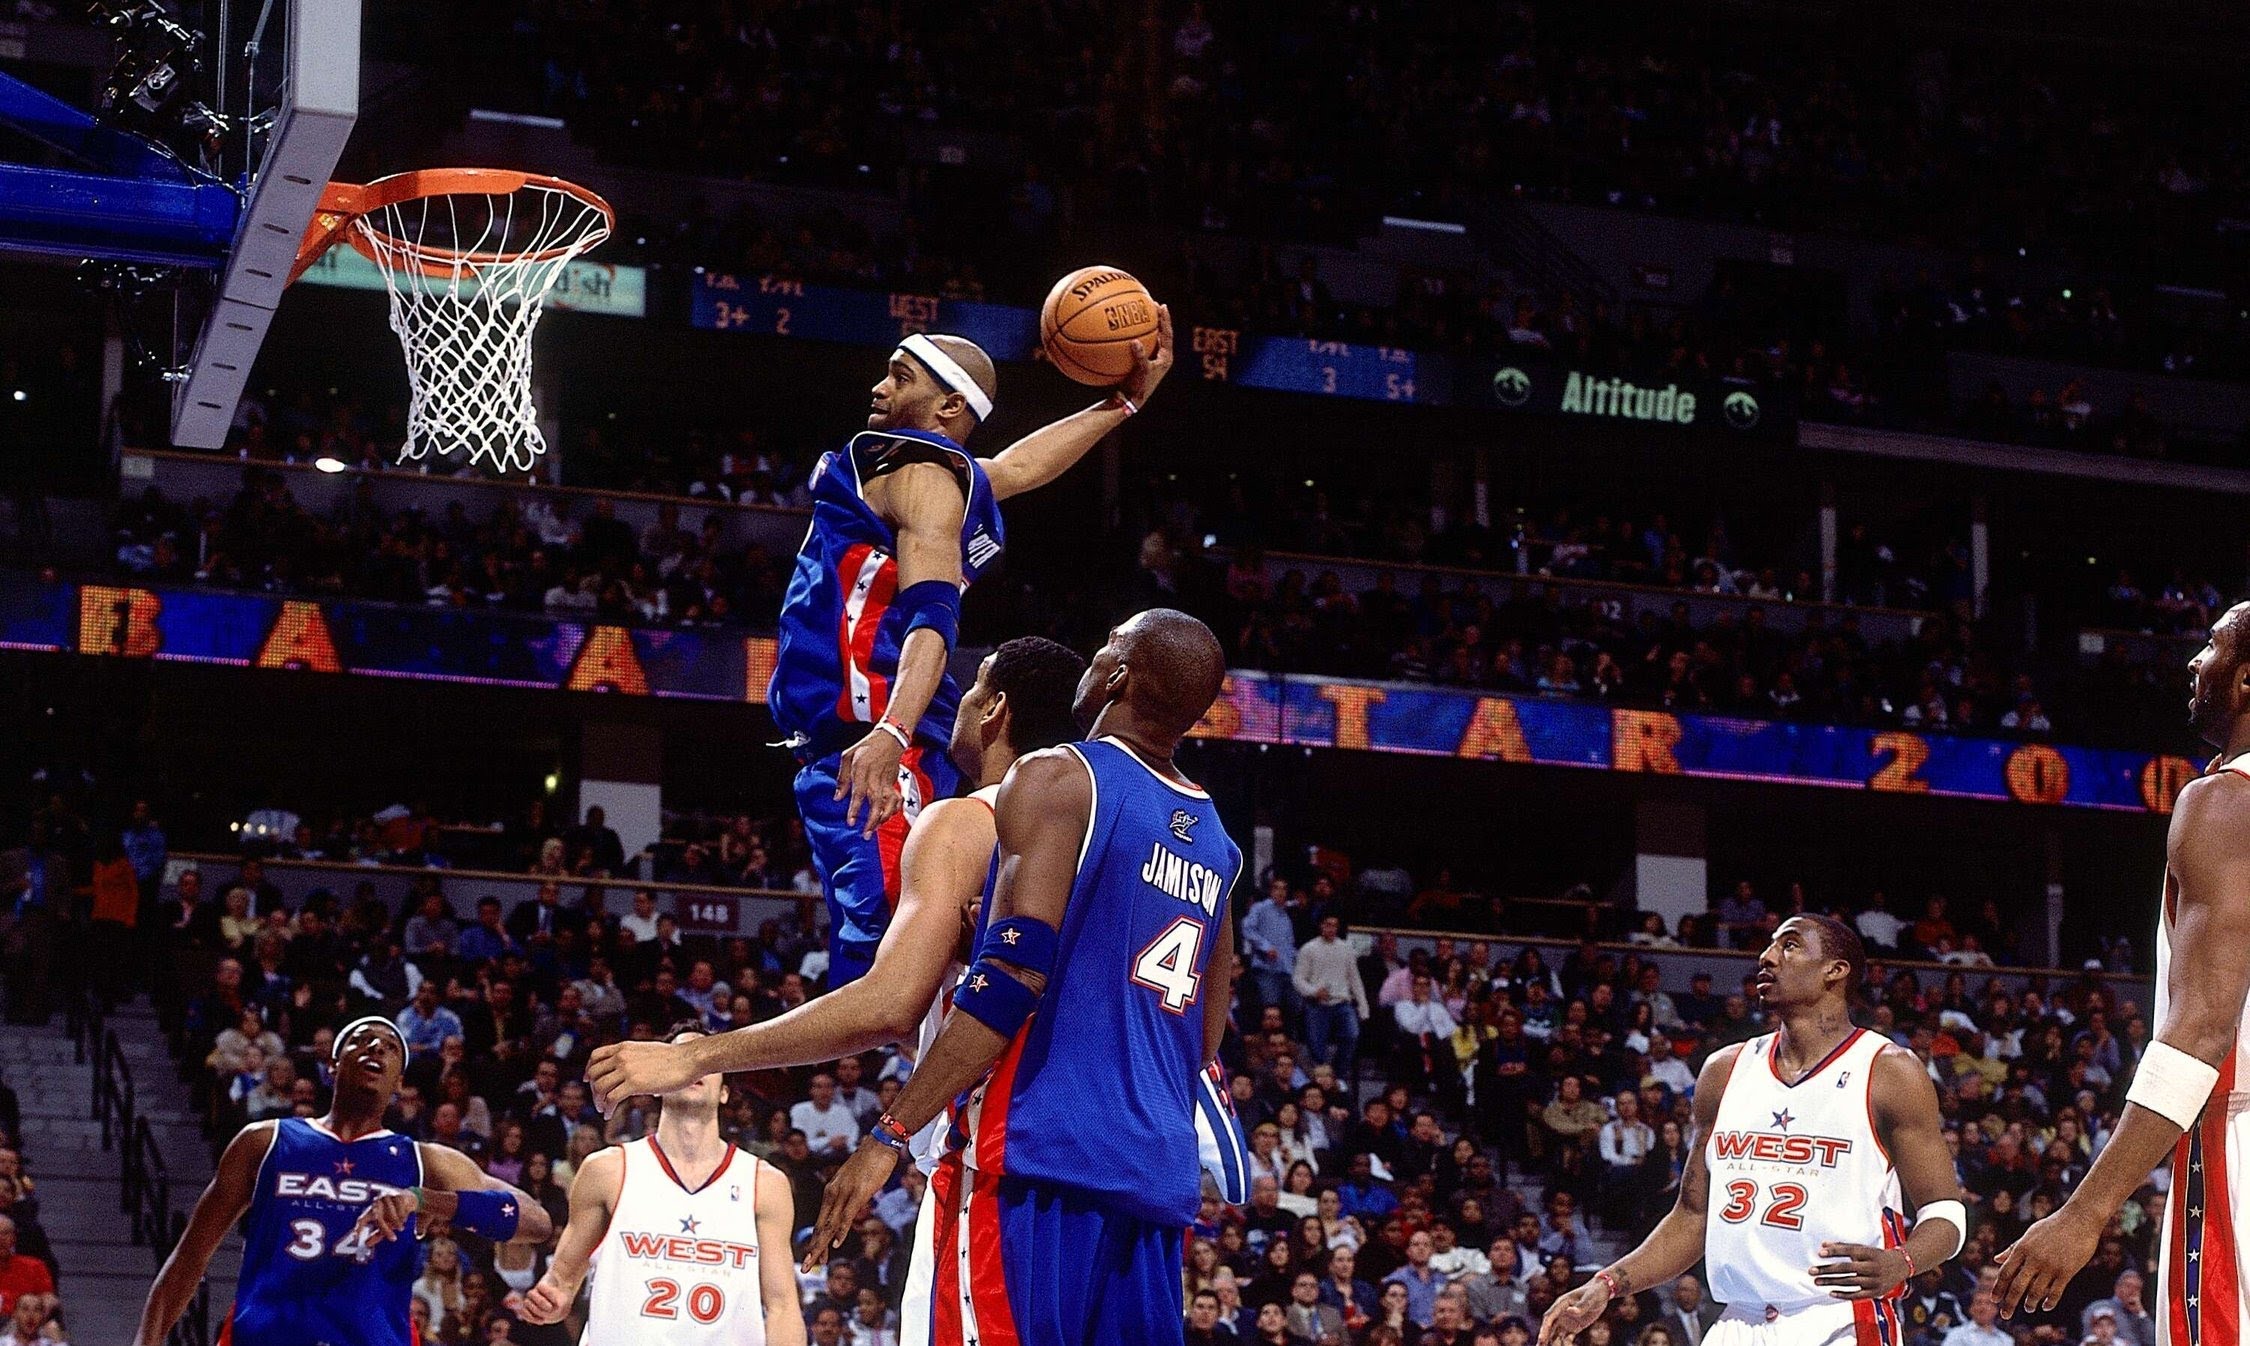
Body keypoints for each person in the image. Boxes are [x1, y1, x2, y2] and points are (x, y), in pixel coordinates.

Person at [583, 637, 1101, 1346]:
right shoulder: (1113, 843)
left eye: (975, 685)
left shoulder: (967, 822)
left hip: (1001, 1166)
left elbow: (889, 1005)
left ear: (996, 710)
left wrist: (696, 1055)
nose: (960, 701)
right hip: (1108, 1176)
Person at [808, 609, 1239, 1345]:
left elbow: (1009, 982)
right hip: (1152, 1189)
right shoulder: (1216, 840)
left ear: (1117, 676)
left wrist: (889, 1134)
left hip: (1035, 1165)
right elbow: (1204, 1038)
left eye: (1105, 646)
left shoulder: (1055, 776)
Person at [768, 316, 1175, 988]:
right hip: (855, 742)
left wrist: (892, 732)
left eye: (900, 377)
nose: (879, 387)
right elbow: (1019, 466)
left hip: (877, 740)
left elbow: (932, 620)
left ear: (950, 404)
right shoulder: (934, 477)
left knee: (888, 968)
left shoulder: (922, 477)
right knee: (902, 958)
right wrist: (1122, 404)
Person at [1996, 603, 2250, 1333]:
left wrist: (2085, 1213)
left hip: (2234, 1145)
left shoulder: (2226, 802)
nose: (2195, 661)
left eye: (2212, 646)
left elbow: (2202, 1030)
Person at [1539, 916, 1968, 1346]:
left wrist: (1902, 1262)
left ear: (1835, 970)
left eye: (1790, 945)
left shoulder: (1888, 1071)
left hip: (1841, 1318)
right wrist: (1608, 1284)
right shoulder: (1724, 1071)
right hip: (1739, 1321)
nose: (1767, 957)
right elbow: (1693, 1216)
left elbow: (1946, 1215)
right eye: (1770, 945)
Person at [132, 1017, 553, 1346]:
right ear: (333, 1066)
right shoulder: (265, 1141)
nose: (376, 1048)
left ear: (399, 1081)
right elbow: (189, 1258)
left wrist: (425, 1200)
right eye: (361, 1040)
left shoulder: (424, 1161)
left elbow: (536, 1221)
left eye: (390, 1047)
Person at [518, 1026, 803, 1346]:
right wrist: (552, 1299)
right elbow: (562, 1279)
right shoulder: (608, 1170)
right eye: (682, 1058)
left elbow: (782, 1307)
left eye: (706, 1061)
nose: (695, 1067)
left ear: (724, 1092)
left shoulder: (765, 1183)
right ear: (657, 1084)